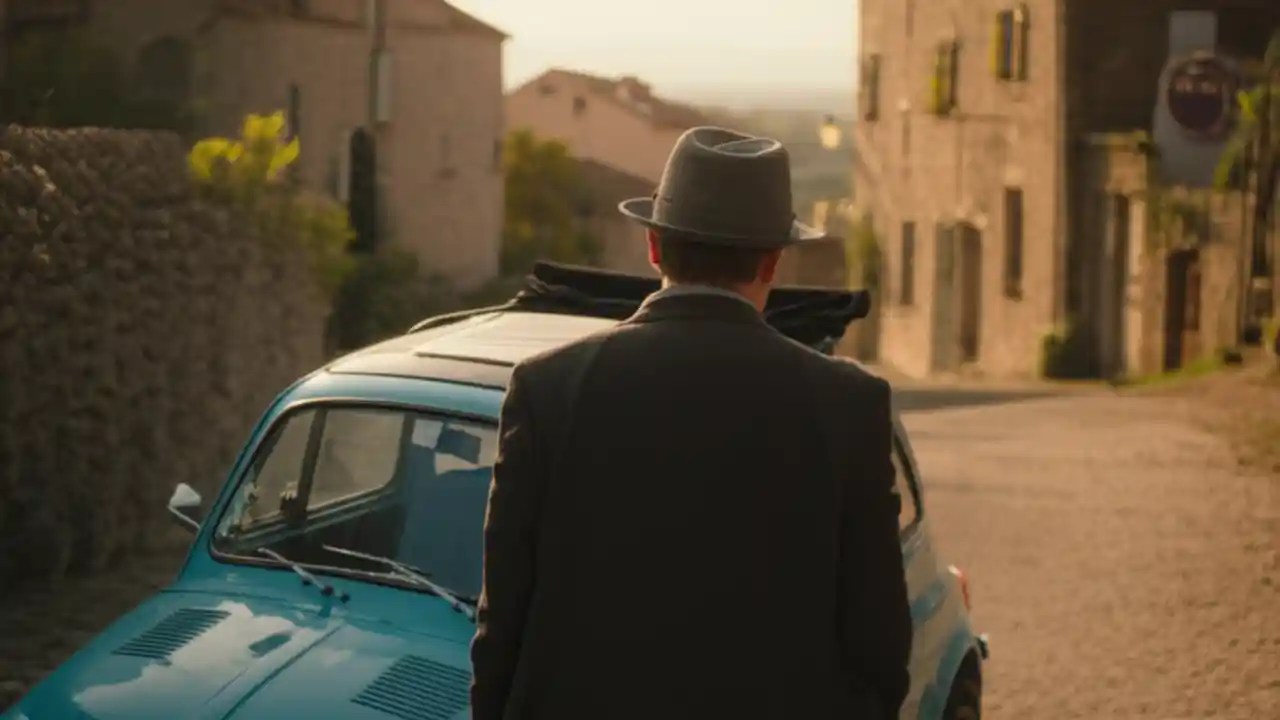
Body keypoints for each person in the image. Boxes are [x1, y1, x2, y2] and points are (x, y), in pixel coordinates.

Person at [471, 126, 912, 720]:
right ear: (772, 261)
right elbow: (880, 649)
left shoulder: (547, 389)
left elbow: (501, 628)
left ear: (654, 246)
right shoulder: (849, 404)